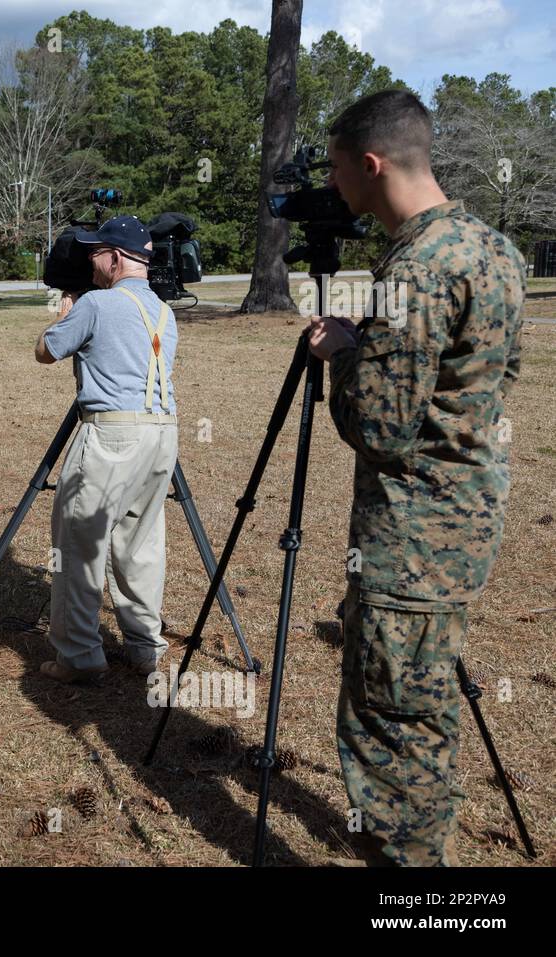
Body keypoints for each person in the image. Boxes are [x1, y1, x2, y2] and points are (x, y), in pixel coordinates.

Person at [307, 90, 526, 866]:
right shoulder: (493, 247)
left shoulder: (418, 267)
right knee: (423, 695)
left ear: (371, 165)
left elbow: (381, 426)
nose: (331, 188)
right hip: (469, 515)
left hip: (413, 534)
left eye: (336, 171)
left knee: (392, 715)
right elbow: (494, 381)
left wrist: (341, 354)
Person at [34, 215, 179, 683]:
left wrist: (62, 317)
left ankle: (79, 656)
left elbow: (46, 351)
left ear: (115, 258)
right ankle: (145, 647)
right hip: (161, 434)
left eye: (94, 254)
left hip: (113, 433)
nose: (89, 262)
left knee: (80, 542)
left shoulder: (96, 303)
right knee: (140, 543)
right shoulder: (165, 310)